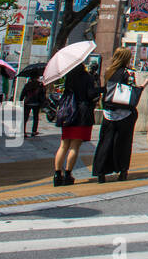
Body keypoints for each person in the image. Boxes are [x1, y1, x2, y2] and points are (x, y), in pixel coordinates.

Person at [93, 49, 140, 184]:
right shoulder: (128, 73)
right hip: (125, 113)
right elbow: (132, 92)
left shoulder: (109, 72)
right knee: (123, 143)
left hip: (108, 112)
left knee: (105, 142)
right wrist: (144, 85)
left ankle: (101, 172)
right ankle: (122, 170)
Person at [54, 60, 103, 186]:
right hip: (81, 113)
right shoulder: (87, 77)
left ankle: (57, 174)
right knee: (74, 146)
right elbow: (90, 94)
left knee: (63, 145)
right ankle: (68, 174)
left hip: (68, 112)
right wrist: (100, 89)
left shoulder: (69, 76)